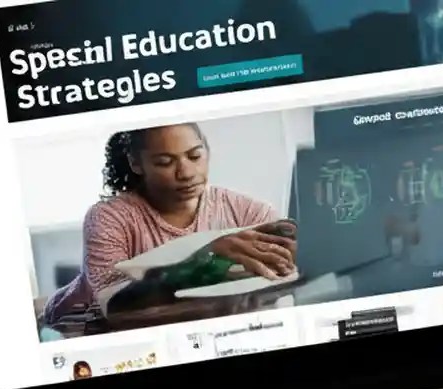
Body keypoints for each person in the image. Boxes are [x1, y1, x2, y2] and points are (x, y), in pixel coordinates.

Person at [42, 122, 297, 323]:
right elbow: (114, 306)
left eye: (195, 156)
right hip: (76, 322)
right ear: (136, 164)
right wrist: (202, 258)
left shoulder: (248, 212)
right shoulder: (110, 218)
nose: (186, 173)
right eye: (165, 162)